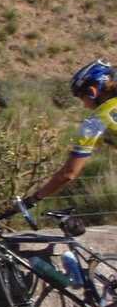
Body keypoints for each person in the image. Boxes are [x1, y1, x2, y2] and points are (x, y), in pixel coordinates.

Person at [25, 60, 117, 207]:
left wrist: (34, 198)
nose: (84, 105)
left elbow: (68, 174)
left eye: (82, 98)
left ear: (92, 91)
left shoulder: (96, 120)